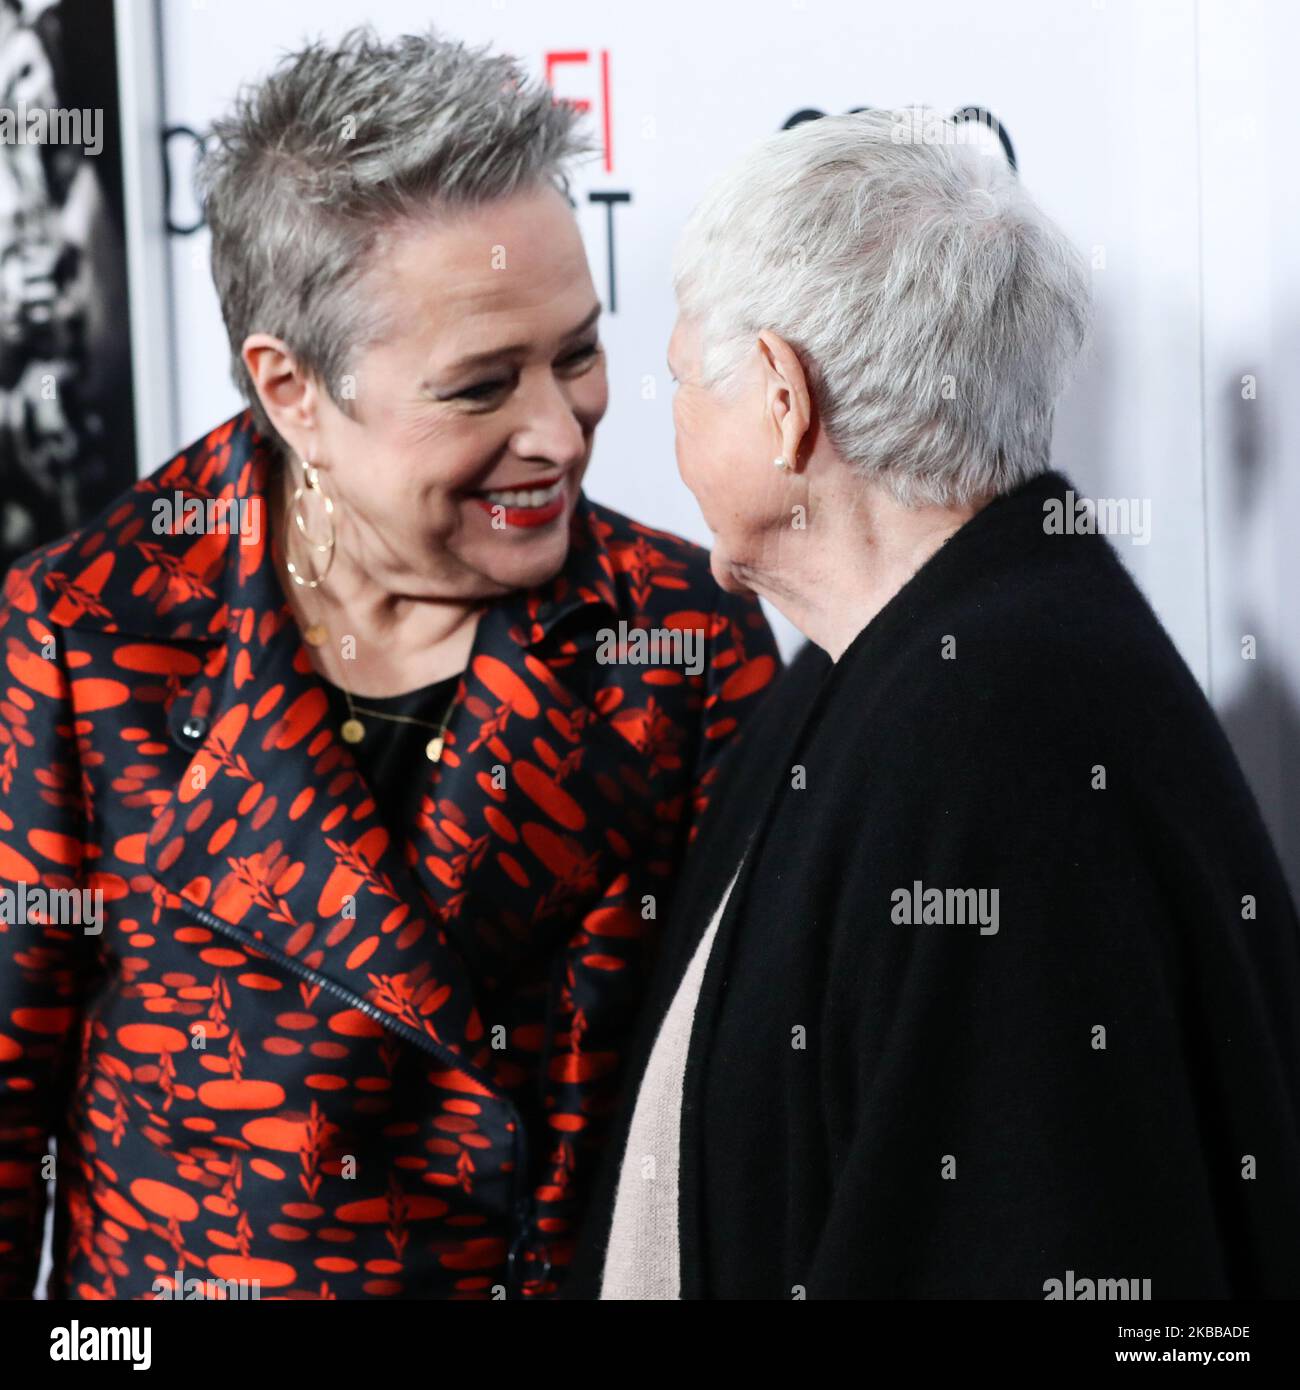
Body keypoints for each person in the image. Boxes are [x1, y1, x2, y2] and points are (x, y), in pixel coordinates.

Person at [0, 28, 778, 1300]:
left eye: (575, 353)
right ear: (293, 389)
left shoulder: (681, 640)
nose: (559, 432)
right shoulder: (86, 636)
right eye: (478, 388)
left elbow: (753, 1118)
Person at [568, 109, 1300, 1299]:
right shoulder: (904, 675)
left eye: (679, 378)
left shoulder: (1001, 746)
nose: (663, 425)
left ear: (779, 400)